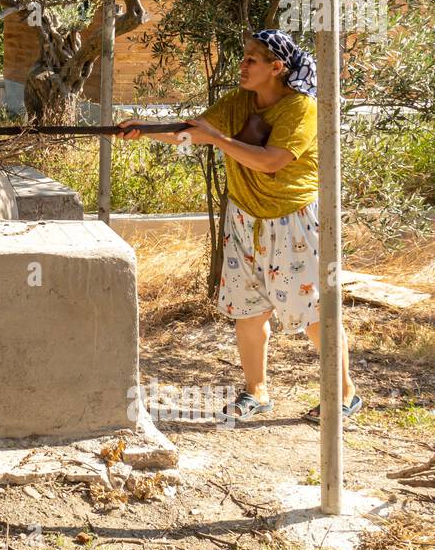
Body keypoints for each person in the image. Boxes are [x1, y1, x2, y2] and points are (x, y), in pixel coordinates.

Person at [117, 30, 361, 423]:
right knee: (247, 311)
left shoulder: (302, 109)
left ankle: (345, 393)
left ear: (277, 68)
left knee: (315, 313)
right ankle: (256, 391)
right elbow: (192, 130)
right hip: (245, 219)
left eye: (252, 60)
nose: (243, 65)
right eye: (244, 57)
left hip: (292, 221)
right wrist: (143, 128)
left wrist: (217, 139)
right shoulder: (239, 102)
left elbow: (270, 161)